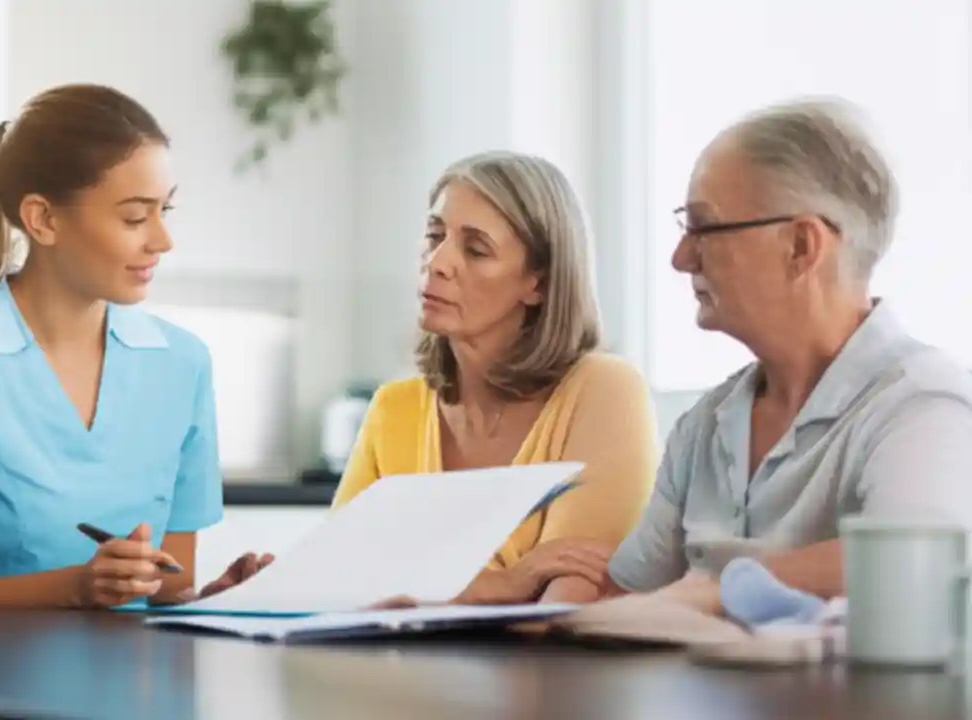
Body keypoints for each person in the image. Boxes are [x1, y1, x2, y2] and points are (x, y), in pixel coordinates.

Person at [0, 84, 265, 610]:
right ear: (44, 219)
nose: (163, 240)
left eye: (166, 210)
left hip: (133, 667)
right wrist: (73, 588)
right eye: (135, 217)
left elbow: (163, 588)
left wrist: (215, 600)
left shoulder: (182, 364)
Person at [605, 99, 972, 613]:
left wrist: (714, 588)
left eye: (703, 228)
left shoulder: (923, 404)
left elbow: (911, 560)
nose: (680, 258)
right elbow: (626, 597)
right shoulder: (705, 425)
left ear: (801, 245)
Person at [333, 151, 660, 605]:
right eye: (434, 236)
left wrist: (404, 590)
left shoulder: (604, 389)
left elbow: (566, 607)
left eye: (476, 249)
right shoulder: (394, 408)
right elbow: (335, 584)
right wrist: (505, 585)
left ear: (538, 283)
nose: (438, 262)